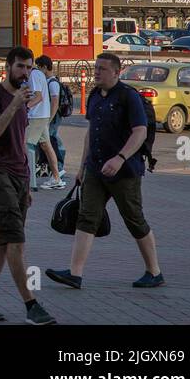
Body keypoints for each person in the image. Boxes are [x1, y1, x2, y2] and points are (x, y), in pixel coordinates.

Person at [47, 52, 165, 291]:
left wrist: (120, 158)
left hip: (125, 171)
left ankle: (154, 271)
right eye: (96, 68)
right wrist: (81, 167)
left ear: (116, 72)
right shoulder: (94, 97)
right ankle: (75, 273)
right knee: (87, 217)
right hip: (95, 170)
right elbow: (91, 133)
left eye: (102, 69)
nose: (96, 72)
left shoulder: (128, 97)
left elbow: (140, 131)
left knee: (134, 219)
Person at [0, 46, 55, 325]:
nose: (26, 73)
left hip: (19, 176)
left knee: (2, 240)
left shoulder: (24, 99)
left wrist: (28, 184)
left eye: (30, 68)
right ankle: (31, 305)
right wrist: (14, 105)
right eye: (20, 67)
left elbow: (20, 142)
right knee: (16, 241)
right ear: (8, 66)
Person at [25, 55, 63, 190]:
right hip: (42, 115)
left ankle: (30, 181)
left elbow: (39, 97)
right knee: (46, 145)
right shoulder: (40, 75)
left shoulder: (34, 75)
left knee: (26, 145)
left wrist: (26, 107)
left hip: (36, 116)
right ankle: (56, 178)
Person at [36, 55, 68, 183]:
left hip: (52, 116)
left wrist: (48, 119)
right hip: (50, 116)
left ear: (45, 67)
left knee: (50, 141)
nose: (38, 70)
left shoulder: (53, 83)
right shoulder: (48, 82)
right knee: (53, 140)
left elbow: (54, 103)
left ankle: (58, 168)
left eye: (39, 67)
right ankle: (55, 168)